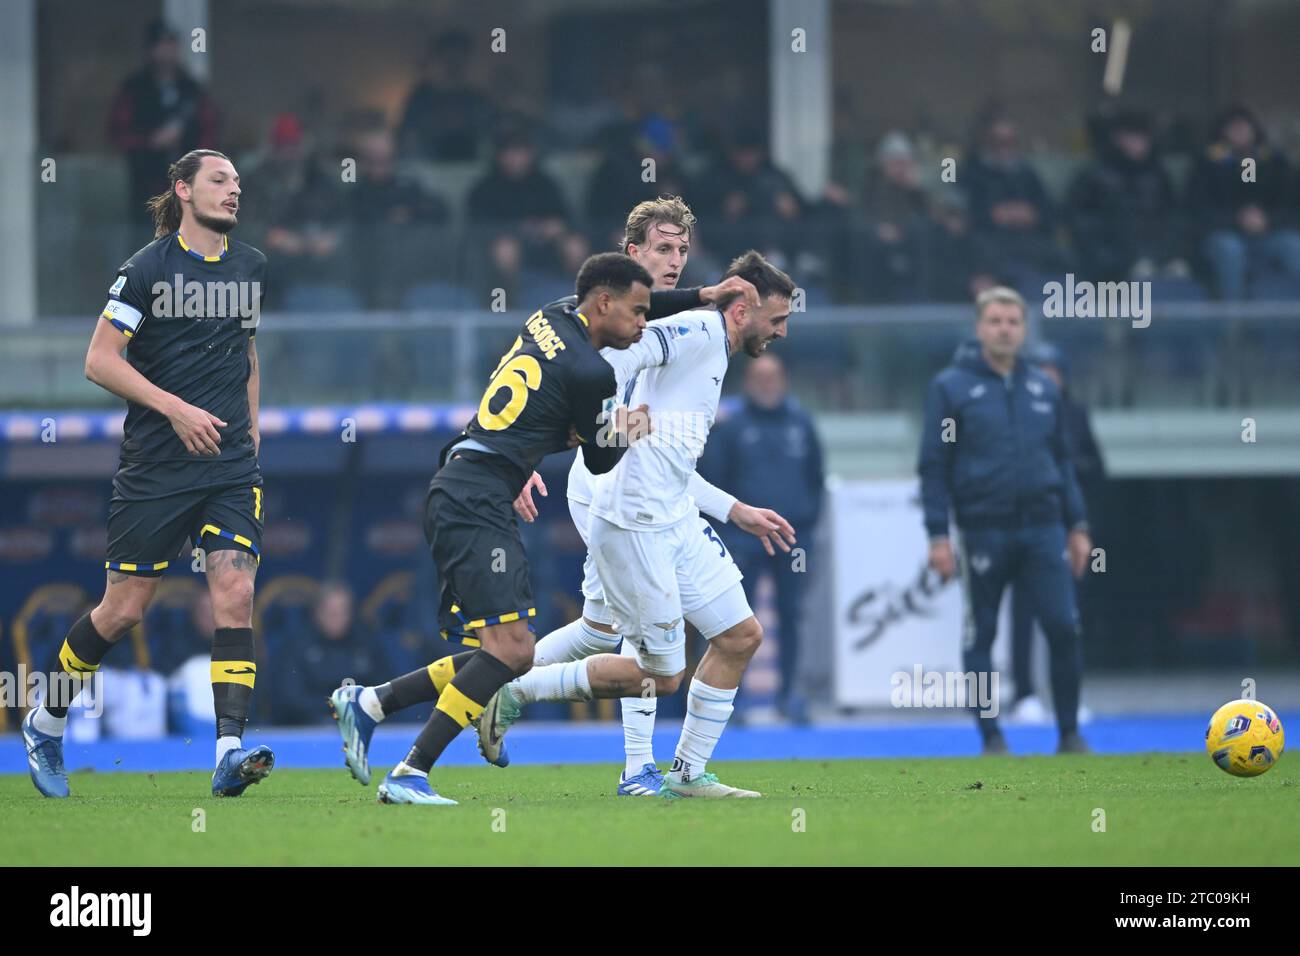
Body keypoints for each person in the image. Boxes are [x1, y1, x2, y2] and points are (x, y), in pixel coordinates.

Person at [329, 253, 673, 805]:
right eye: (637, 312)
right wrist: (628, 430)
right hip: (478, 498)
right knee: (514, 651)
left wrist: (703, 298)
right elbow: (602, 460)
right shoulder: (594, 371)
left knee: (507, 650)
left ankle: (372, 703)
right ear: (604, 303)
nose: (643, 324)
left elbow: (553, 419)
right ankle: (411, 772)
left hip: (462, 480)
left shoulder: (552, 315)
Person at [479, 251, 797, 799]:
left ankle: (687, 773)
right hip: (635, 519)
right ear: (743, 310)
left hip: (674, 512)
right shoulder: (696, 330)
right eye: (777, 320)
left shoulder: (713, 346)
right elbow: (618, 357)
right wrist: (602, 415)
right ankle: (516, 693)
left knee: (740, 636)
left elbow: (668, 450)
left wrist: (731, 509)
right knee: (658, 672)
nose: (783, 332)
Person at [22, 149, 271, 799]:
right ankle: (46, 722)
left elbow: (245, 353)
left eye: (238, 183)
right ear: (183, 190)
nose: (233, 191)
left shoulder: (251, 267)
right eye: (219, 181)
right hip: (156, 465)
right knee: (123, 611)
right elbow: (99, 361)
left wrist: (252, 430)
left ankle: (228, 751)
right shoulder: (145, 270)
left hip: (230, 465)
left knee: (235, 591)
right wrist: (173, 407)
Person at [918, 287, 1091, 755]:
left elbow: (1063, 462)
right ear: (979, 328)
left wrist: (1078, 526)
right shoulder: (950, 387)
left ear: (1024, 329)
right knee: (983, 632)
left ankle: (1070, 733)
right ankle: (992, 735)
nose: (1005, 329)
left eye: (1013, 322)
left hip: (1043, 528)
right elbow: (933, 466)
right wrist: (938, 535)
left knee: (1062, 625)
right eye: (995, 321)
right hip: (982, 530)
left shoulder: (1043, 387)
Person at [699, 353, 824, 721]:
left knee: (792, 615)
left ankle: (790, 696)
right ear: (749, 382)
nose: (767, 384)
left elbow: (816, 478)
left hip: (791, 539)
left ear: (783, 380)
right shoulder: (732, 427)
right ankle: (730, 700)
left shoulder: (801, 423)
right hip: (742, 541)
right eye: (760, 377)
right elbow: (714, 480)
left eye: (774, 376)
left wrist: (806, 525)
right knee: (734, 620)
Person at [1008, 342, 1106, 721]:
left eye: (1055, 372)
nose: (1049, 379)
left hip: (1063, 525)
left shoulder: (1074, 414)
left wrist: (1078, 519)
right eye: (1041, 371)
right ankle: (1024, 694)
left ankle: (1068, 696)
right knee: (1023, 612)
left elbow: (1096, 469)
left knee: (1065, 616)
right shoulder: (1014, 413)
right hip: (1023, 524)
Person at [107, 20, 219, 227]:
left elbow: (209, 132)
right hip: (146, 186)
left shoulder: (192, 90)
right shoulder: (134, 89)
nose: (167, 52)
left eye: (172, 45)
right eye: (162, 45)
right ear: (150, 50)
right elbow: (118, 133)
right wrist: (151, 141)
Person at [1187, 105, 1300, 300]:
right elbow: (1197, 209)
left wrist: (1267, 220)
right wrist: (1236, 219)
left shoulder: (1273, 161)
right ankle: (1234, 323)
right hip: (1222, 234)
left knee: (1293, 245)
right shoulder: (1207, 161)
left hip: (1268, 233)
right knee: (1230, 249)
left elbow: (1289, 205)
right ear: (1222, 132)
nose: (1240, 133)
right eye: (1233, 128)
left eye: (1244, 128)